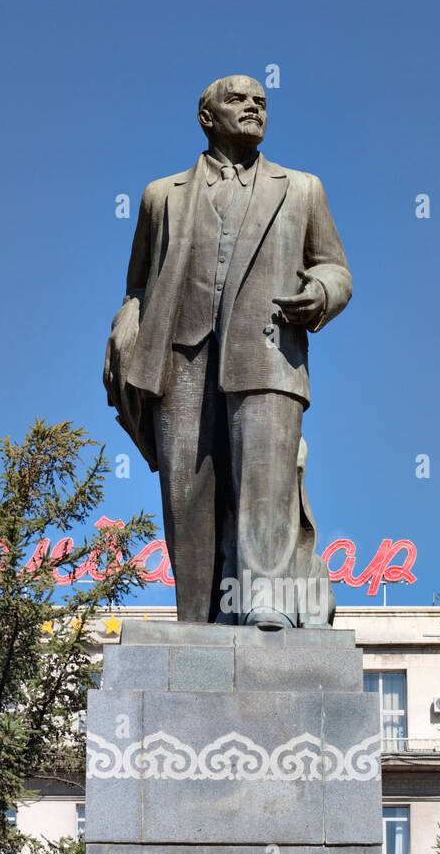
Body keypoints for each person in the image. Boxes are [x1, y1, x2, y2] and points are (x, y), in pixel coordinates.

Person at [103, 75, 352, 628]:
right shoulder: (160, 196)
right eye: (237, 100)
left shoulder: (302, 188)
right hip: (180, 357)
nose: (253, 107)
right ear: (206, 116)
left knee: (264, 480)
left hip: (268, 352)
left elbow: (335, 267)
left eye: (261, 101)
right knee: (186, 494)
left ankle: (262, 602)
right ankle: (196, 617)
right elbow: (139, 286)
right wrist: (126, 320)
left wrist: (323, 292)